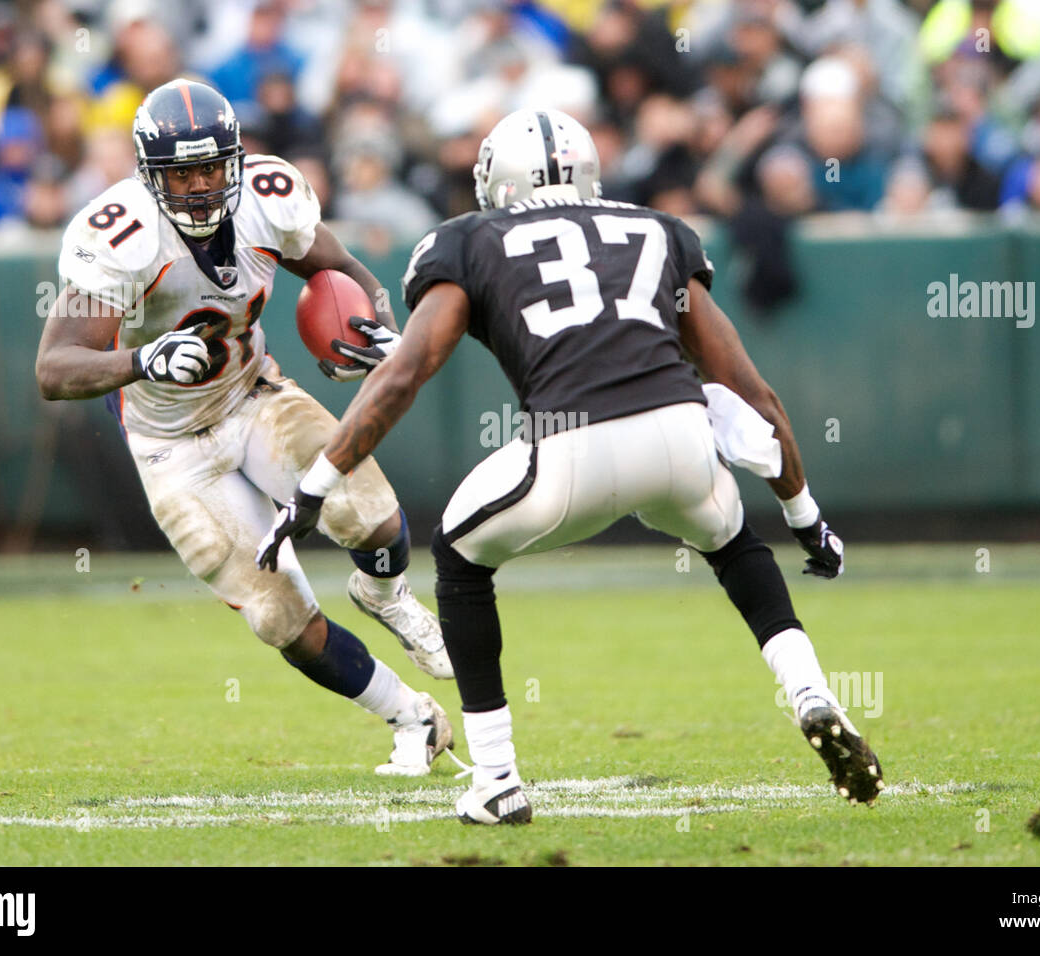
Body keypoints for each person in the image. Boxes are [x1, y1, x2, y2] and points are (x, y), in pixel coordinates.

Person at [257, 109, 884, 823]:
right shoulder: (659, 230)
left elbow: (404, 379)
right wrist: (808, 521)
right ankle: (810, 693)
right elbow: (752, 392)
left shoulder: (467, 239)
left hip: (571, 450)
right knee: (734, 543)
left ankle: (495, 780)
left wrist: (313, 487)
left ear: (497, 180)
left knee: (461, 559)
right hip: (681, 439)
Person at [35, 79, 453, 776]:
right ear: (148, 174)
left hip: (254, 396)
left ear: (234, 161)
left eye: (210, 168)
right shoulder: (123, 236)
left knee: (370, 516)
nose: (199, 187)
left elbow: (342, 270)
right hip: (169, 445)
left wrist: (378, 329)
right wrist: (142, 359)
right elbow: (53, 368)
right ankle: (411, 718)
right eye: (181, 172)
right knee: (278, 616)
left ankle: (385, 593)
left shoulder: (268, 196)